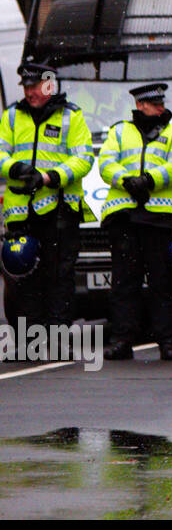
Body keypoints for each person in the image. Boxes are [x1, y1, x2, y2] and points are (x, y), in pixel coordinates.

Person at [0, 60, 95, 331]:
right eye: (26, 87)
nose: (29, 93)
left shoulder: (71, 116)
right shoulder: (11, 117)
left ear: (50, 85)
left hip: (59, 210)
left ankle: (56, 337)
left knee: (59, 277)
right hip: (21, 212)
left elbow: (83, 159)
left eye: (35, 86)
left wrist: (50, 176)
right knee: (22, 276)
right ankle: (29, 338)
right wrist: (15, 167)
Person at [100, 83, 172, 362]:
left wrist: (150, 180)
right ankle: (122, 340)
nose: (160, 106)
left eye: (161, 102)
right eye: (154, 103)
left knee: (163, 283)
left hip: (160, 219)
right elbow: (105, 162)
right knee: (124, 283)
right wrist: (126, 181)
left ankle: (167, 341)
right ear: (140, 106)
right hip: (126, 217)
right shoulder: (119, 132)